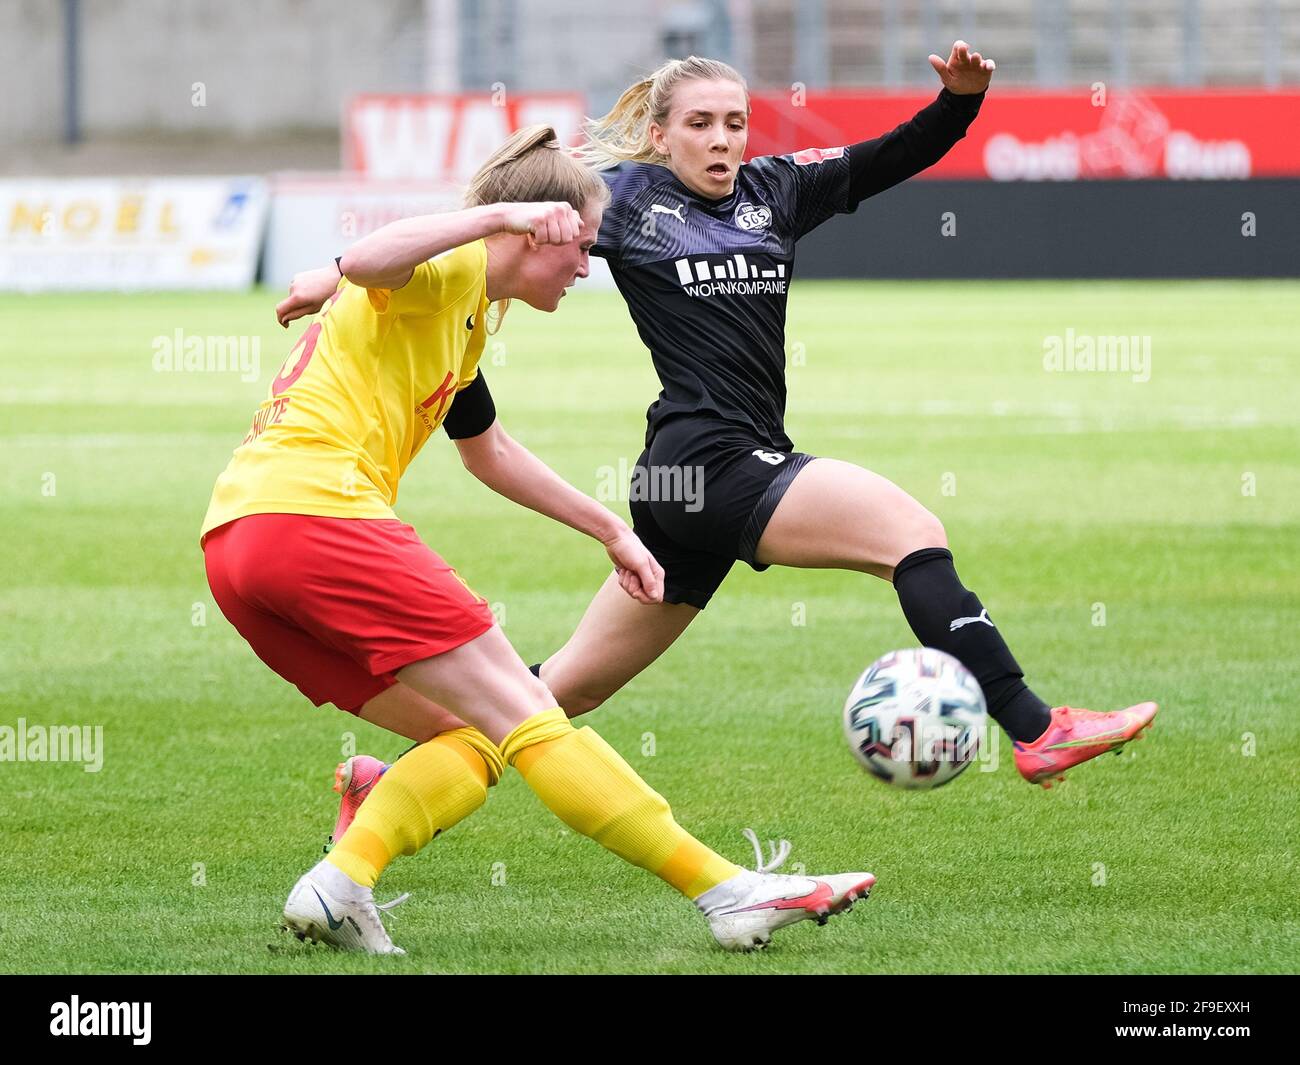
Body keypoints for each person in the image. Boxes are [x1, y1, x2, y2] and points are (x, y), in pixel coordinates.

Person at [279, 42, 1156, 844]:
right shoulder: (624, 199)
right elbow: (488, 214)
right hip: (705, 461)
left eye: (734, 122)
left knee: (559, 693)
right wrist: (334, 275)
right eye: (699, 123)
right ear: (659, 135)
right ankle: (1036, 726)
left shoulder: (777, 190)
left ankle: (385, 784)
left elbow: (892, 158)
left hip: (694, 484)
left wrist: (960, 103)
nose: (721, 138)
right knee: (910, 532)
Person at [203, 126, 874, 955]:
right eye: (581, 246)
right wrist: (504, 213)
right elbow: (371, 259)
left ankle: (340, 883)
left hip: (238, 547)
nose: (587, 267)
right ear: (531, 232)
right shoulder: (447, 272)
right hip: (318, 517)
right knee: (531, 714)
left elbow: (492, 453)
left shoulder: (466, 318)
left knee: (469, 730)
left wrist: (611, 531)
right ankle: (726, 892)